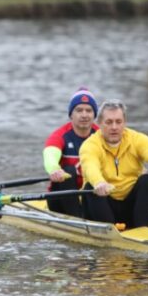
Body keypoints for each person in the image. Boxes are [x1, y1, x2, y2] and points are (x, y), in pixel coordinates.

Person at [79, 99, 148, 229]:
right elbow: (90, 166)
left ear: (124, 122)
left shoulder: (137, 139)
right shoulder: (90, 145)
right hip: (101, 205)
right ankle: (108, 231)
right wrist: (99, 182)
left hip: (128, 207)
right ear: (99, 123)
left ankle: (142, 229)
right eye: (109, 122)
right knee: (90, 187)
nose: (114, 127)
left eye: (118, 122)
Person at [43, 87, 99, 217]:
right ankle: (77, 219)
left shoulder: (102, 135)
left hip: (89, 195)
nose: (84, 115)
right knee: (68, 170)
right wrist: (54, 169)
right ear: (71, 114)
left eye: (89, 110)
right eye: (79, 110)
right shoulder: (59, 135)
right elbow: (50, 155)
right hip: (60, 199)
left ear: (94, 115)